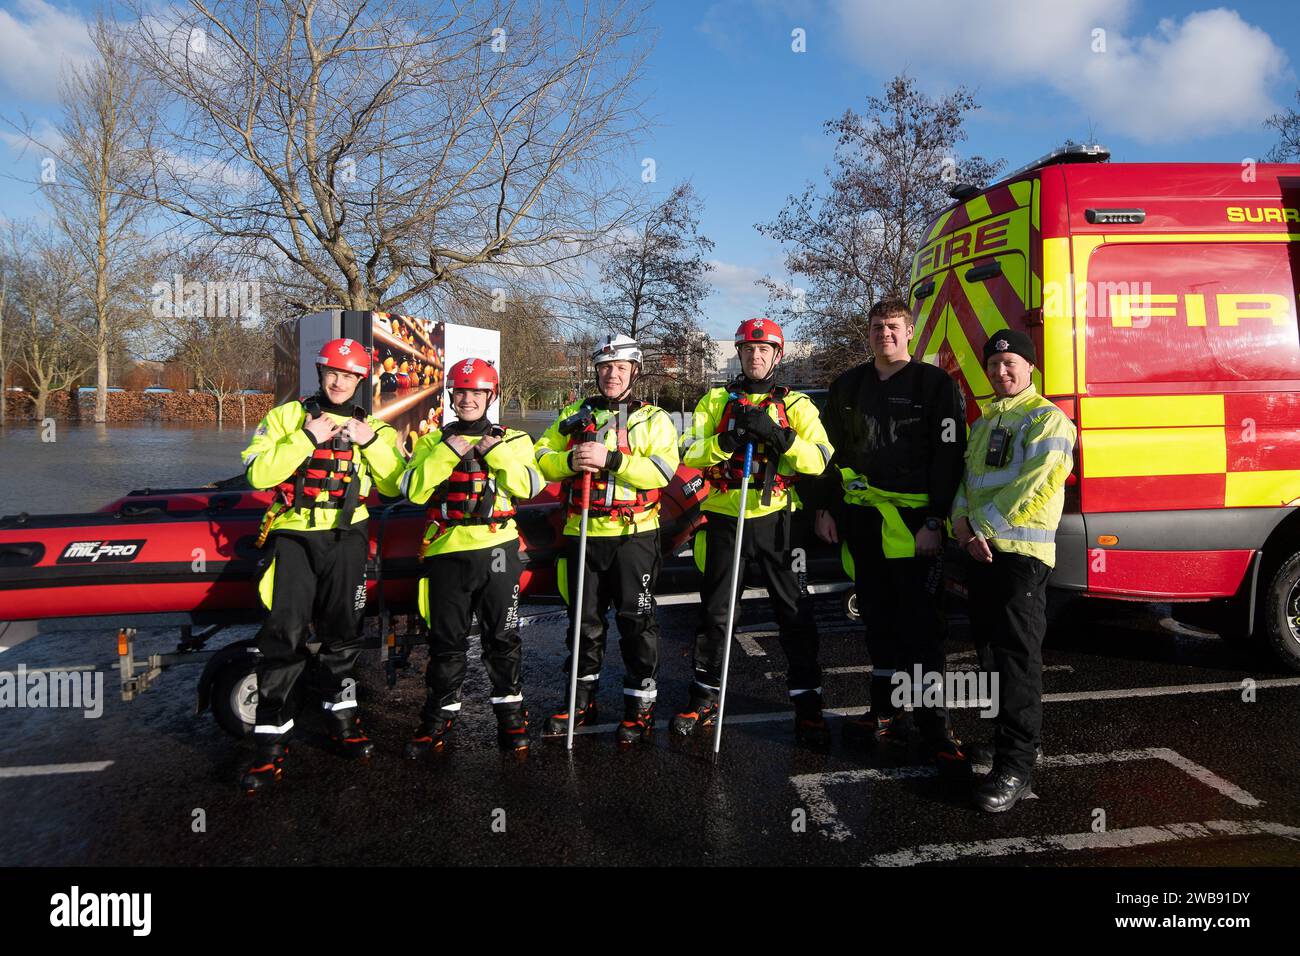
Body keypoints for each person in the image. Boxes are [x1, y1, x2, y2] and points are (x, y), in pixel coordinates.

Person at [238, 338, 405, 793]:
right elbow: (258, 474)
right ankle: (270, 745)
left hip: (348, 537)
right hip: (294, 535)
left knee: (343, 635)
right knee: (283, 635)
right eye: (332, 372)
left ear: (359, 381)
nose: (339, 381)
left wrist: (372, 445)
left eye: (348, 375)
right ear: (320, 373)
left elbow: (394, 487)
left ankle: (344, 723)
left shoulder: (375, 427)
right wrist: (308, 437)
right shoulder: (286, 418)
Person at [811, 299, 967, 765]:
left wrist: (936, 521)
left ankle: (935, 725)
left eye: (894, 327)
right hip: (863, 522)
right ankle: (884, 708)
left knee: (922, 625)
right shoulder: (846, 385)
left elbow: (948, 457)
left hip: (917, 525)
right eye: (878, 327)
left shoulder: (934, 384)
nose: (885, 334)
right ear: (869, 333)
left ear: (910, 333)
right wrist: (825, 507)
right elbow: (829, 454)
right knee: (877, 618)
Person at [672, 318, 834, 745]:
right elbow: (688, 451)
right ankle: (704, 696)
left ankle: (808, 703)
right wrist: (725, 440)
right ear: (740, 355)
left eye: (764, 351)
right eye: (748, 350)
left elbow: (818, 459)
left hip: (776, 520)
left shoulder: (797, 404)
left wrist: (779, 437)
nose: (756, 356)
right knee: (716, 612)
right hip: (726, 518)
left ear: (777, 356)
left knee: (793, 612)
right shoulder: (714, 400)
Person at [534, 334, 680, 748]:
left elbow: (663, 471)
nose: (611, 374)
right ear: (595, 370)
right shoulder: (572, 414)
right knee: (584, 623)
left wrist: (612, 459)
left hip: (634, 536)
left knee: (637, 623)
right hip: (582, 533)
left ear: (634, 371)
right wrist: (568, 461)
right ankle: (581, 701)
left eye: (620, 368)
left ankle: (640, 707)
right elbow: (541, 458)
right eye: (604, 367)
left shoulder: (653, 419)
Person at [951, 329, 1076, 812]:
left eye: (1011, 364)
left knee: (1017, 662)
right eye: (994, 365)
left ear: (1029, 368)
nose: (1001, 371)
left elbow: (1038, 483)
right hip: (980, 552)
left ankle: (1018, 767)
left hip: (1020, 559)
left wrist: (978, 525)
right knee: (988, 655)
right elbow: (968, 481)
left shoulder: (1047, 419)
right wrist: (961, 523)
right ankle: (1003, 741)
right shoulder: (984, 424)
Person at [400, 357, 542, 755]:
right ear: (451, 395)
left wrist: (493, 453)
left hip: (497, 549)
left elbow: (528, 486)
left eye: (476, 393)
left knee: (502, 638)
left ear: (490, 396)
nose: (467, 400)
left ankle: (512, 719)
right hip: (447, 550)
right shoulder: (431, 441)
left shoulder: (513, 440)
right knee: (446, 642)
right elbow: (412, 490)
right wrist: (448, 452)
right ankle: (437, 719)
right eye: (461, 392)